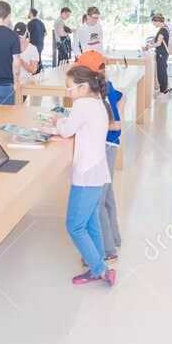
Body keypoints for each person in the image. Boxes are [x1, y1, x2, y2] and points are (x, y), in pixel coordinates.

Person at [41, 63, 115, 288]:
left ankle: (100, 270)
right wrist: (62, 123)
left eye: (70, 88)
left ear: (83, 88)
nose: (67, 93)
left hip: (86, 173)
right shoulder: (98, 102)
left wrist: (55, 125)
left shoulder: (82, 104)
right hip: (98, 170)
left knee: (74, 225)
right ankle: (97, 262)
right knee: (91, 221)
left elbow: (67, 130)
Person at [75, 51, 123, 266]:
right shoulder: (107, 86)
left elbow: (114, 124)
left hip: (105, 145)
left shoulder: (98, 94)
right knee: (107, 194)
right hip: (112, 144)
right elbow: (122, 96)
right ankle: (114, 238)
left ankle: (107, 250)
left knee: (98, 201)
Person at [145, 11, 171, 97]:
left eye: (154, 23)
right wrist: (151, 43)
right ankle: (166, 88)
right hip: (164, 53)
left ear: (158, 21)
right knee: (163, 71)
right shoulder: (165, 28)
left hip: (161, 54)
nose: (154, 25)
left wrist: (149, 47)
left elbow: (158, 43)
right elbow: (158, 40)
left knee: (161, 72)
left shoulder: (162, 30)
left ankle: (163, 91)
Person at [11, 22, 40, 90]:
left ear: (26, 34)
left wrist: (21, 62)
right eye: (17, 36)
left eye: (21, 36)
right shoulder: (10, 47)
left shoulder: (32, 49)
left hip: (26, 85)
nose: (19, 38)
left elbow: (33, 70)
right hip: (11, 85)